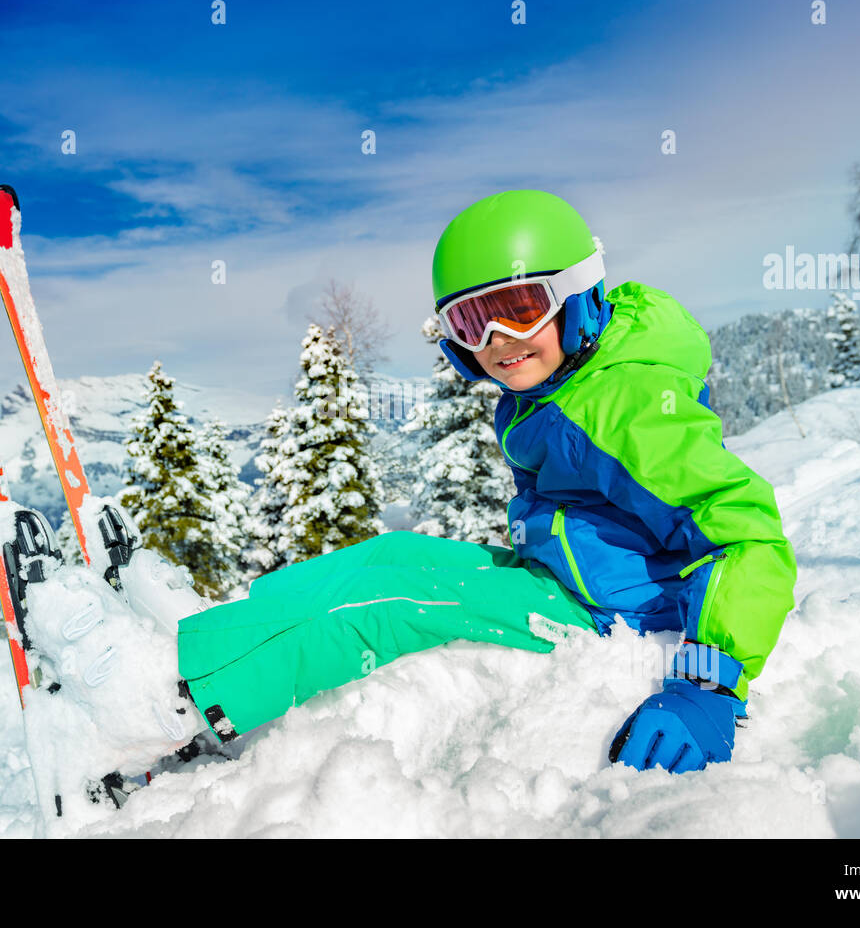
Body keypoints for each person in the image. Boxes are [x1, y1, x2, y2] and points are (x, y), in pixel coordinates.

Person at [42, 189, 798, 779]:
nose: (499, 344)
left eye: (520, 310)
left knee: (389, 608)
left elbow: (749, 536)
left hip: (623, 616)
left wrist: (708, 683)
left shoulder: (623, 402)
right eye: (474, 323)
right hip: (570, 577)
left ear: (577, 295)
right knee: (386, 555)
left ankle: (168, 700)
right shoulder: (567, 378)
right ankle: (209, 639)